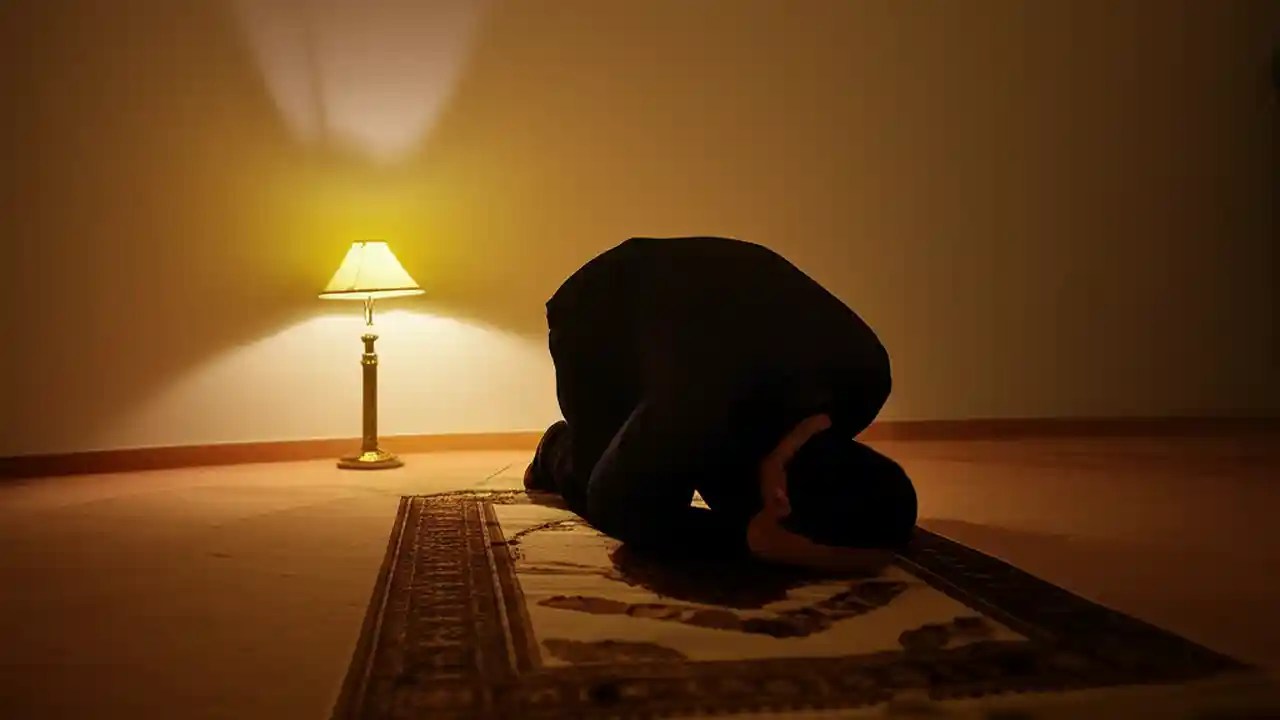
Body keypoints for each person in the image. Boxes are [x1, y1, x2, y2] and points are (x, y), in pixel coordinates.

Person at [523, 236, 917, 572]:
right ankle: (554, 447)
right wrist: (754, 543)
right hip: (599, 310)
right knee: (610, 482)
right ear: (780, 497)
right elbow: (618, 504)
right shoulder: (692, 405)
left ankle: (726, 467)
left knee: (711, 457)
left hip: (704, 315)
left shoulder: (866, 378)